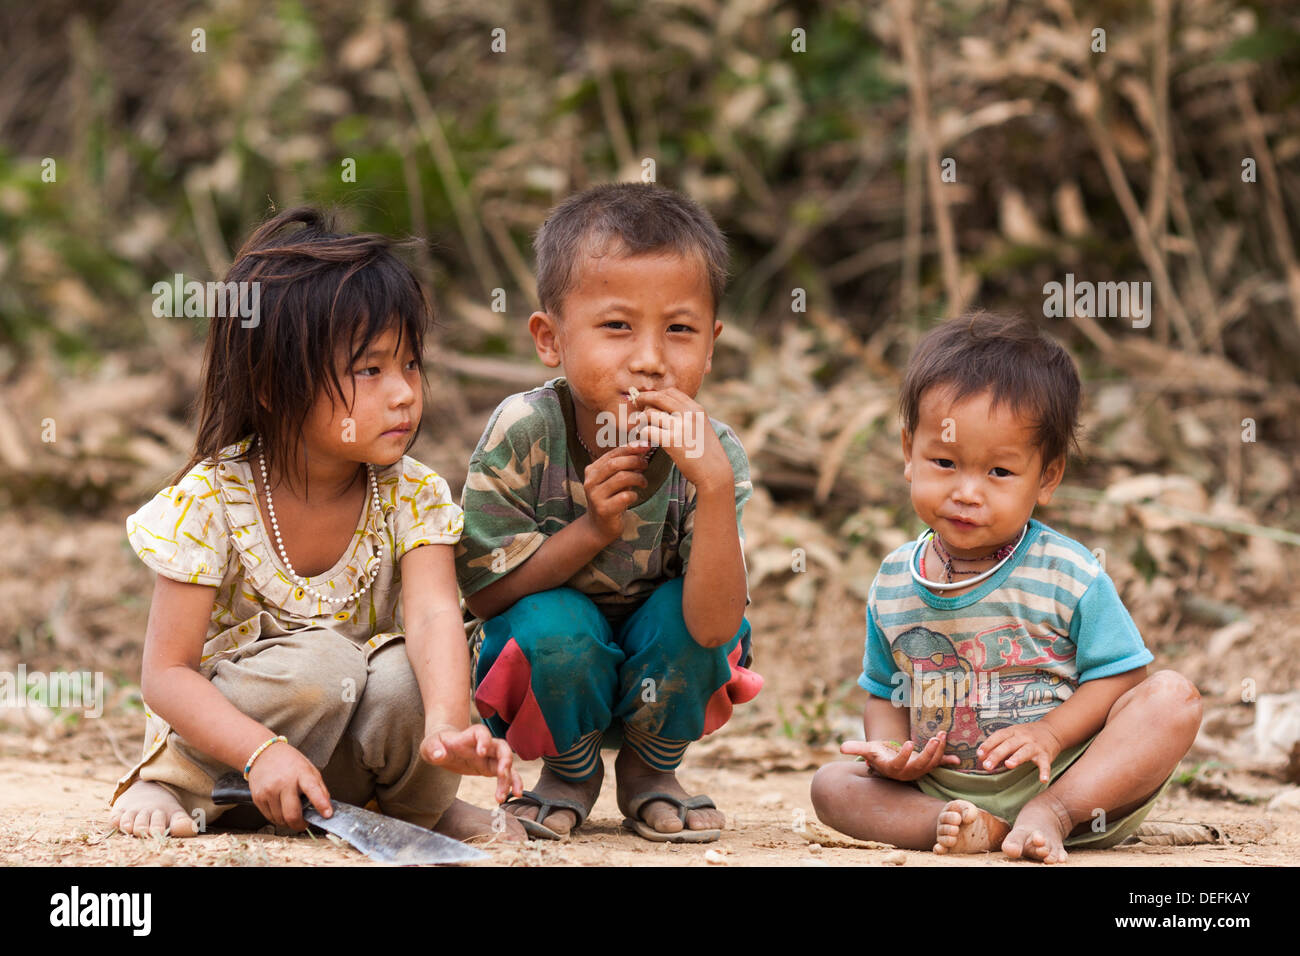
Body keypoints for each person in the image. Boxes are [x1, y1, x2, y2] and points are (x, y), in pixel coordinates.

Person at [109, 207, 523, 841]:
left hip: (338, 763)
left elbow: (436, 615)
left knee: (406, 677)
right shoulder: (212, 500)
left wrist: (445, 725)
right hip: (232, 750)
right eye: (371, 370)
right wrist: (259, 750)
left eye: (411, 364)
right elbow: (166, 674)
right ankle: (173, 782)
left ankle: (414, 808)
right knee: (320, 668)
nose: (405, 393)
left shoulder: (412, 493)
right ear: (275, 386)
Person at [810, 311, 1202, 863]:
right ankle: (968, 828)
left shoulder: (1067, 572)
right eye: (944, 462)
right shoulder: (895, 579)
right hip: (945, 786)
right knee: (832, 787)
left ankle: (1053, 818)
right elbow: (884, 690)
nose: (967, 492)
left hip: (1068, 777)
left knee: (1172, 698)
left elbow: (1121, 677)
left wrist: (1049, 733)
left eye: (999, 473)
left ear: (1047, 476)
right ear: (908, 451)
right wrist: (893, 752)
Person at [455, 183, 762, 843]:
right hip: (554, 668)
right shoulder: (523, 432)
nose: (650, 360)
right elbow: (483, 597)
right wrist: (593, 530)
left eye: (678, 330)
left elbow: (713, 629)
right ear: (550, 338)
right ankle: (569, 772)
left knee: (688, 619)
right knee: (552, 624)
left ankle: (652, 771)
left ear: (710, 345)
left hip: (664, 662)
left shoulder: (714, 454)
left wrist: (710, 485)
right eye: (617, 326)